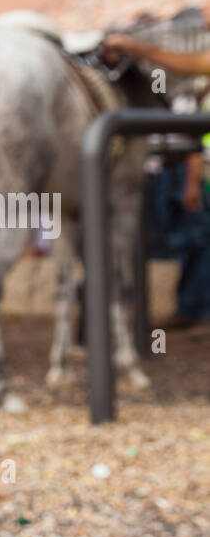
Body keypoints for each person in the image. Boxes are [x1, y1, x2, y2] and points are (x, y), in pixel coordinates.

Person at [106, 32, 210, 330]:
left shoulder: (184, 92)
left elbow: (192, 142)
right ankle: (190, 309)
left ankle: (195, 310)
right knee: (186, 240)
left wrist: (191, 181)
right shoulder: (175, 91)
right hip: (180, 169)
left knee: (194, 240)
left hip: (188, 169)